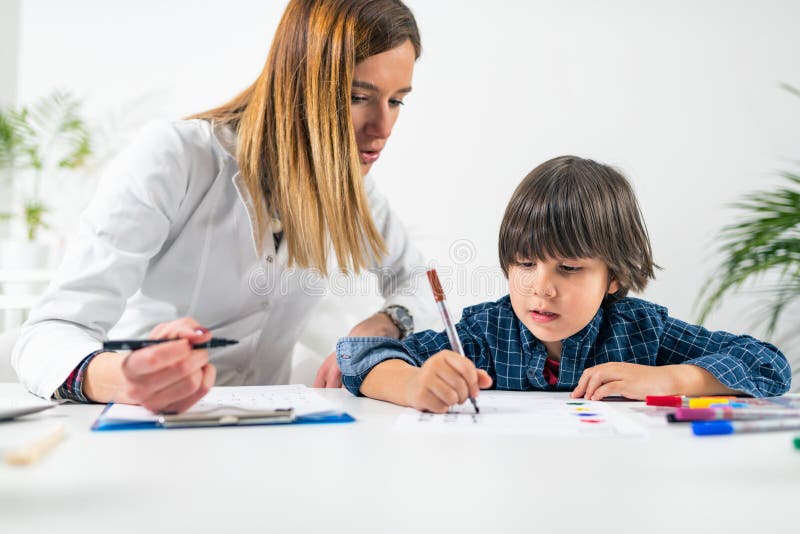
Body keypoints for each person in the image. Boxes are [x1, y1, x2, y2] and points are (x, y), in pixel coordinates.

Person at [12, 0, 434, 413]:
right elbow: (48, 332)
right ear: (299, 84)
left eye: (396, 101)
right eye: (359, 97)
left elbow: (423, 282)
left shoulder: (350, 188)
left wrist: (386, 323)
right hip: (146, 425)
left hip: (273, 430)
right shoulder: (177, 157)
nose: (383, 128)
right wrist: (127, 378)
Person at [336, 155, 791, 412]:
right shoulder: (485, 333)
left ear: (614, 275)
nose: (542, 287)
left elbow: (769, 365)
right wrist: (414, 383)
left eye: (569, 268)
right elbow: (360, 355)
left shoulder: (643, 333)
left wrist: (669, 378)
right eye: (525, 263)